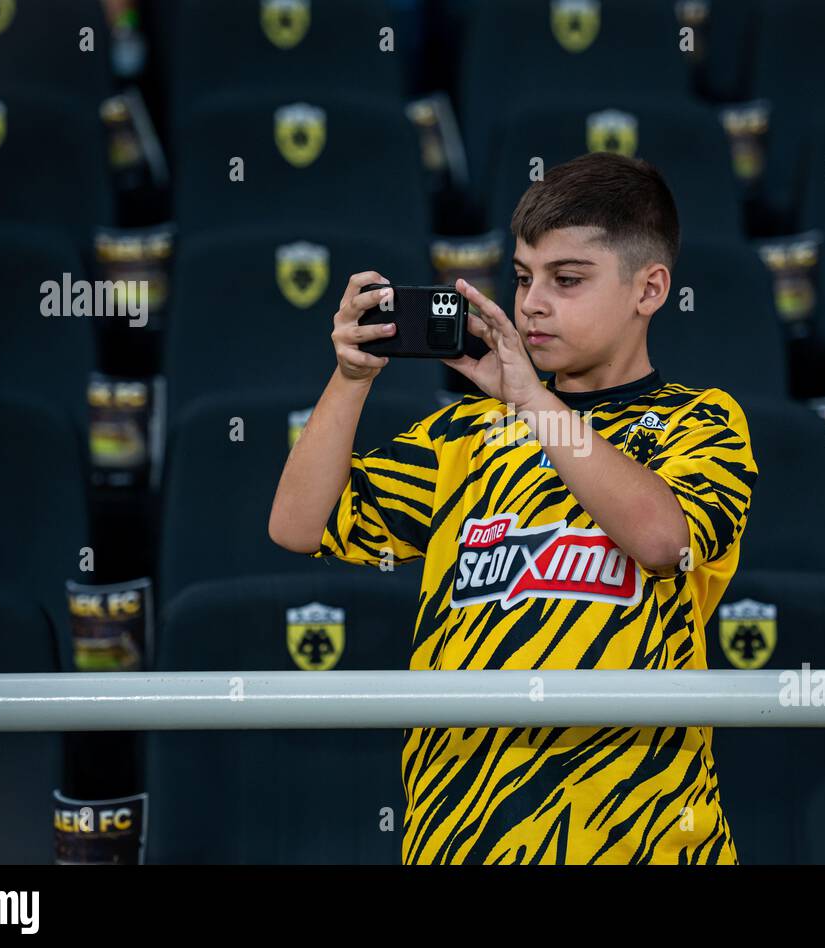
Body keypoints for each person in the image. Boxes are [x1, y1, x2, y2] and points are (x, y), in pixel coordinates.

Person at [269, 152, 759, 864]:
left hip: (641, 837)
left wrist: (533, 400)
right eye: (525, 277)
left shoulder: (702, 420)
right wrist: (349, 378)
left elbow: (662, 539)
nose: (531, 302)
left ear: (650, 288)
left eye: (567, 280)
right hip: (462, 835)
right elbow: (297, 525)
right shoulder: (464, 434)